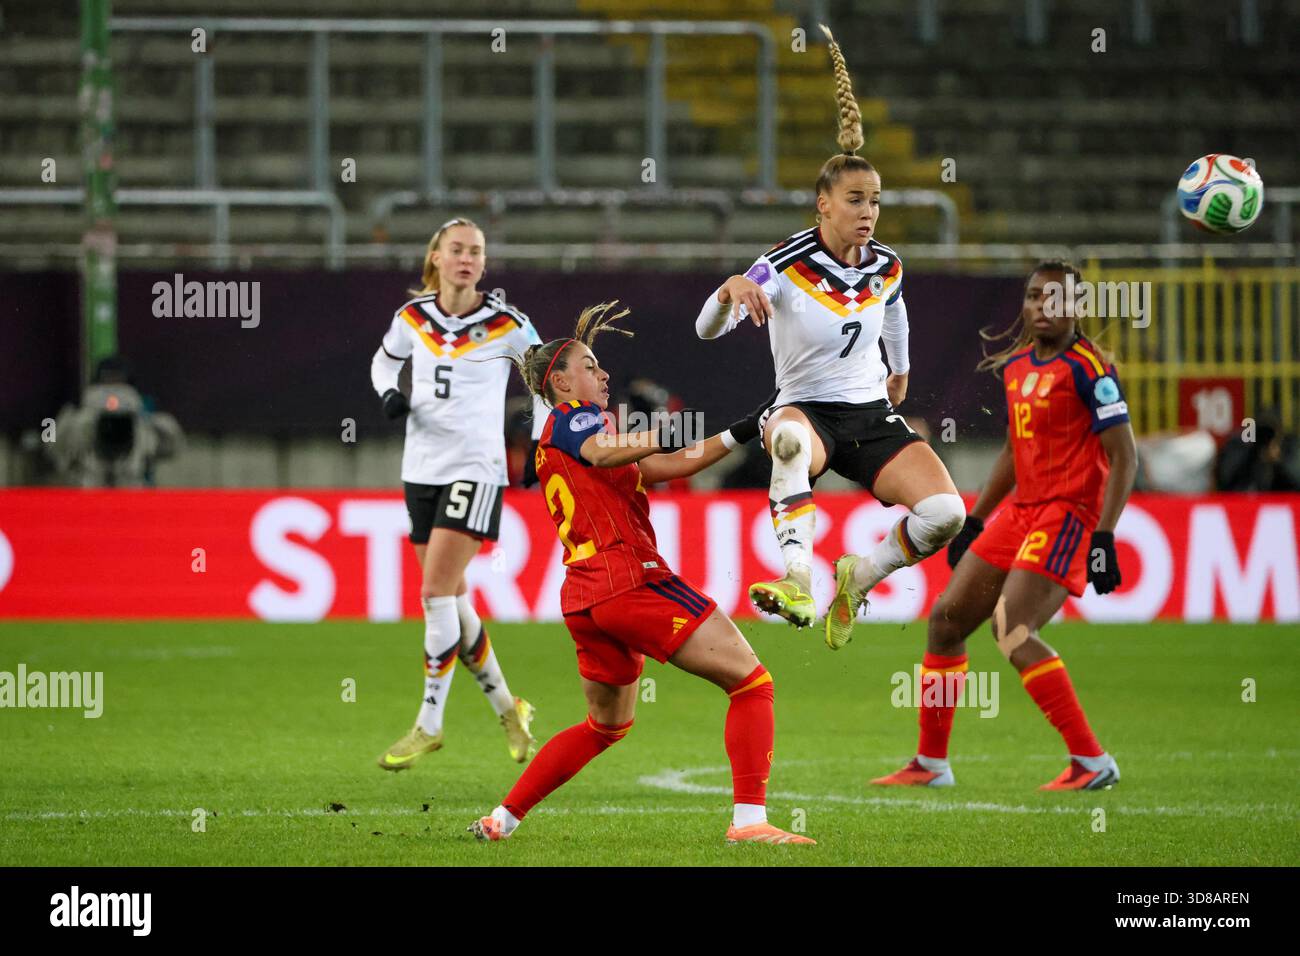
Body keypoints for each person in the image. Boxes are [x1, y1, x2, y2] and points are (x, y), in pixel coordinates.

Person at [469, 302, 814, 846]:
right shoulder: (577, 421)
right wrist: (665, 428)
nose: (603, 374)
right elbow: (607, 452)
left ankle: (501, 819)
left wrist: (746, 427)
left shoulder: (567, 436)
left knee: (605, 725)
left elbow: (656, 467)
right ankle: (749, 822)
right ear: (559, 381)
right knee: (752, 683)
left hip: (585, 598)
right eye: (590, 365)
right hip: (629, 577)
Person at [694, 25, 964, 651]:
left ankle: (857, 577)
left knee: (946, 515)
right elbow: (705, 331)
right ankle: (796, 579)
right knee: (786, 441)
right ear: (822, 204)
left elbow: (895, 311)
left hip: (868, 415)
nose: (867, 211)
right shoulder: (781, 265)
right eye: (854, 200)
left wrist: (900, 370)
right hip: (807, 411)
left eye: (874, 200)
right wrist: (729, 287)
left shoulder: (886, 265)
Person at [873, 261, 1138, 791]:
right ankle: (931, 764)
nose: (1044, 306)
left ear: (1078, 309)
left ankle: (1091, 761)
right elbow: (1016, 451)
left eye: (1057, 299)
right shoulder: (1017, 366)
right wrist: (974, 518)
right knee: (946, 622)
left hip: (1067, 513)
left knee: (1012, 628)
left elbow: (1125, 456)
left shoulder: (1089, 369)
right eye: (1035, 296)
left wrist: (1103, 536)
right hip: (1020, 510)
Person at [369, 217, 542, 771]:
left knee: (435, 593)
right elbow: (384, 360)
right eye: (457, 250)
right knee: (454, 602)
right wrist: (387, 393)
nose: (466, 259)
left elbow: (544, 379)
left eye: (476, 251)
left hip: (477, 469)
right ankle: (509, 710)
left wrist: (538, 441)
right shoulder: (411, 317)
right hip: (420, 468)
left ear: (484, 265)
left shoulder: (509, 323)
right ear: (437, 258)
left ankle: (429, 723)